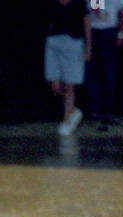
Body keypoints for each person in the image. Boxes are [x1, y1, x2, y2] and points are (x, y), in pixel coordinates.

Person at [45, 0, 92, 136]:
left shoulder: (80, 3)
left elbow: (88, 20)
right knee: (55, 85)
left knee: (69, 84)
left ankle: (67, 120)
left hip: (73, 42)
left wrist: (88, 46)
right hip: (53, 41)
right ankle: (72, 110)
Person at [86, 0, 123, 125]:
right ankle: (93, 110)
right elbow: (95, 8)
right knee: (92, 73)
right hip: (93, 31)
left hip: (109, 31)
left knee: (108, 72)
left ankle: (108, 111)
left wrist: (121, 34)